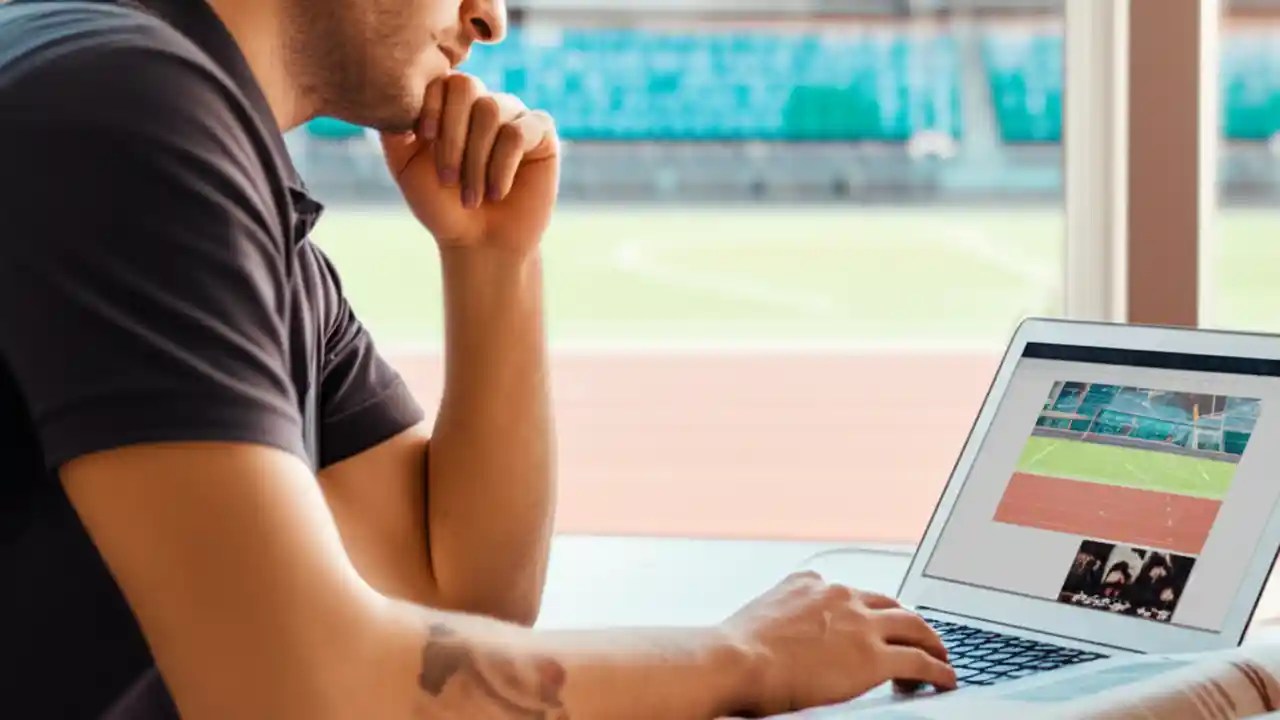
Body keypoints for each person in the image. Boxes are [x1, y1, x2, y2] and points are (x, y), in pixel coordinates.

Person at [0, 0, 955, 717]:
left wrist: (493, 262)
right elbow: (300, 692)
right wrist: (741, 658)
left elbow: (462, 590)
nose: (490, 19)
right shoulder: (126, 107)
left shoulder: (173, 121)